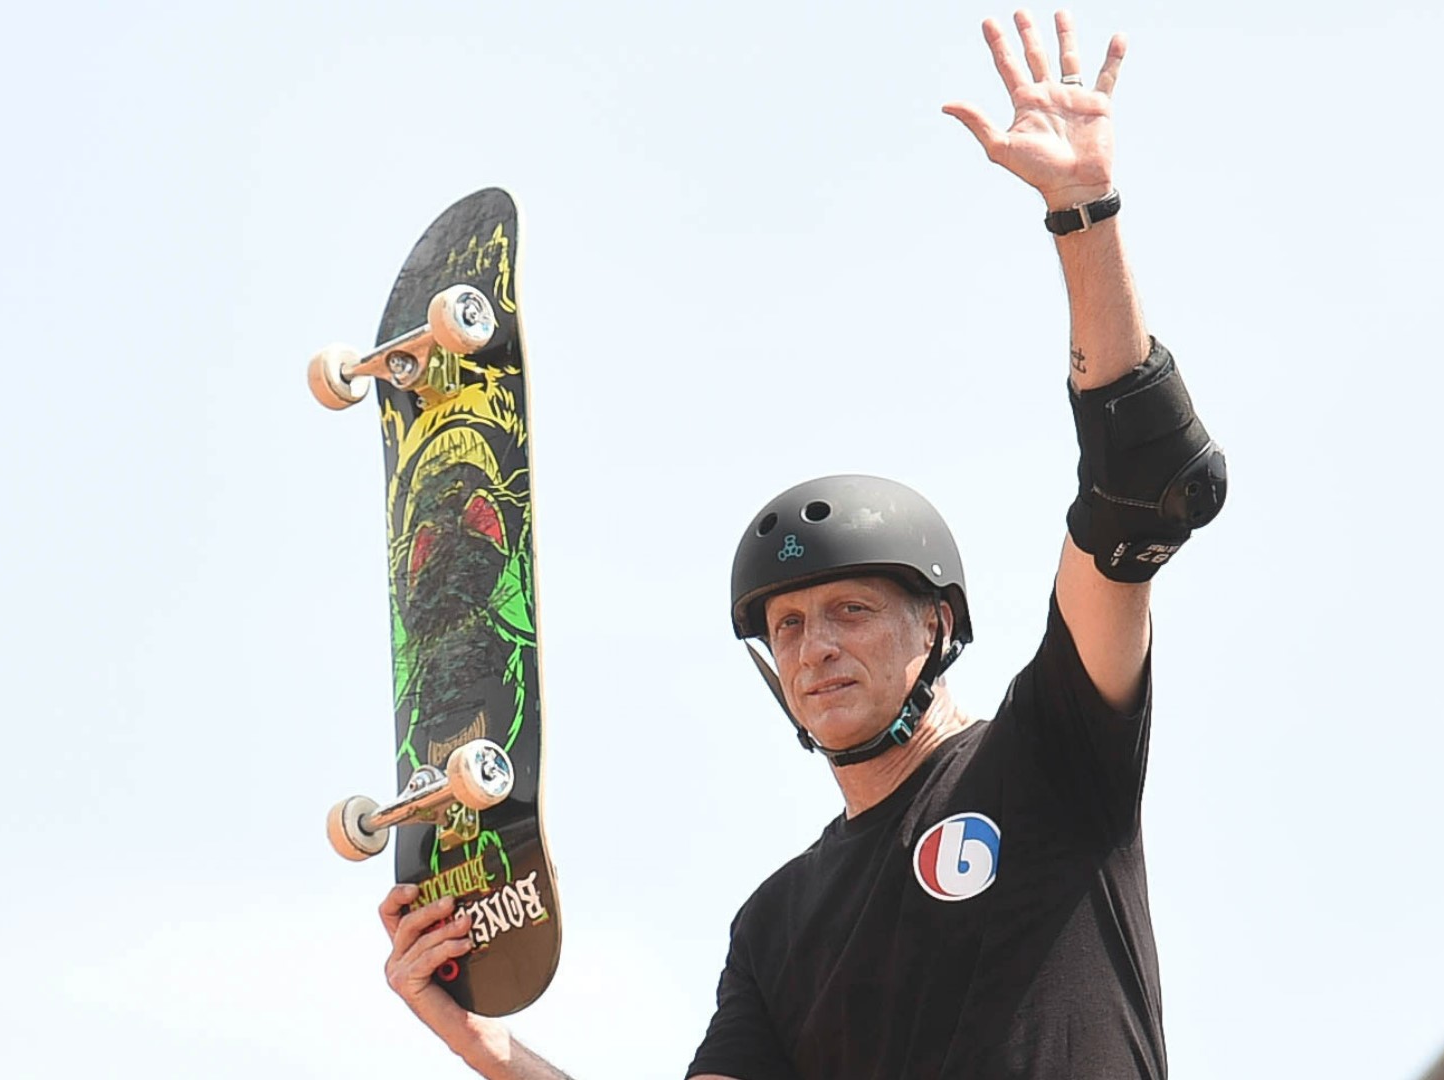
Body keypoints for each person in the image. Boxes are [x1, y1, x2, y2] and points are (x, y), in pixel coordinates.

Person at [373, 9, 1227, 1077]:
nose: (815, 646)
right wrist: (476, 1038)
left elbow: (1141, 491)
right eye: (787, 626)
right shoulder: (777, 930)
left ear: (940, 625)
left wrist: (1083, 212)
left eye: (853, 610)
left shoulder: (1051, 751)